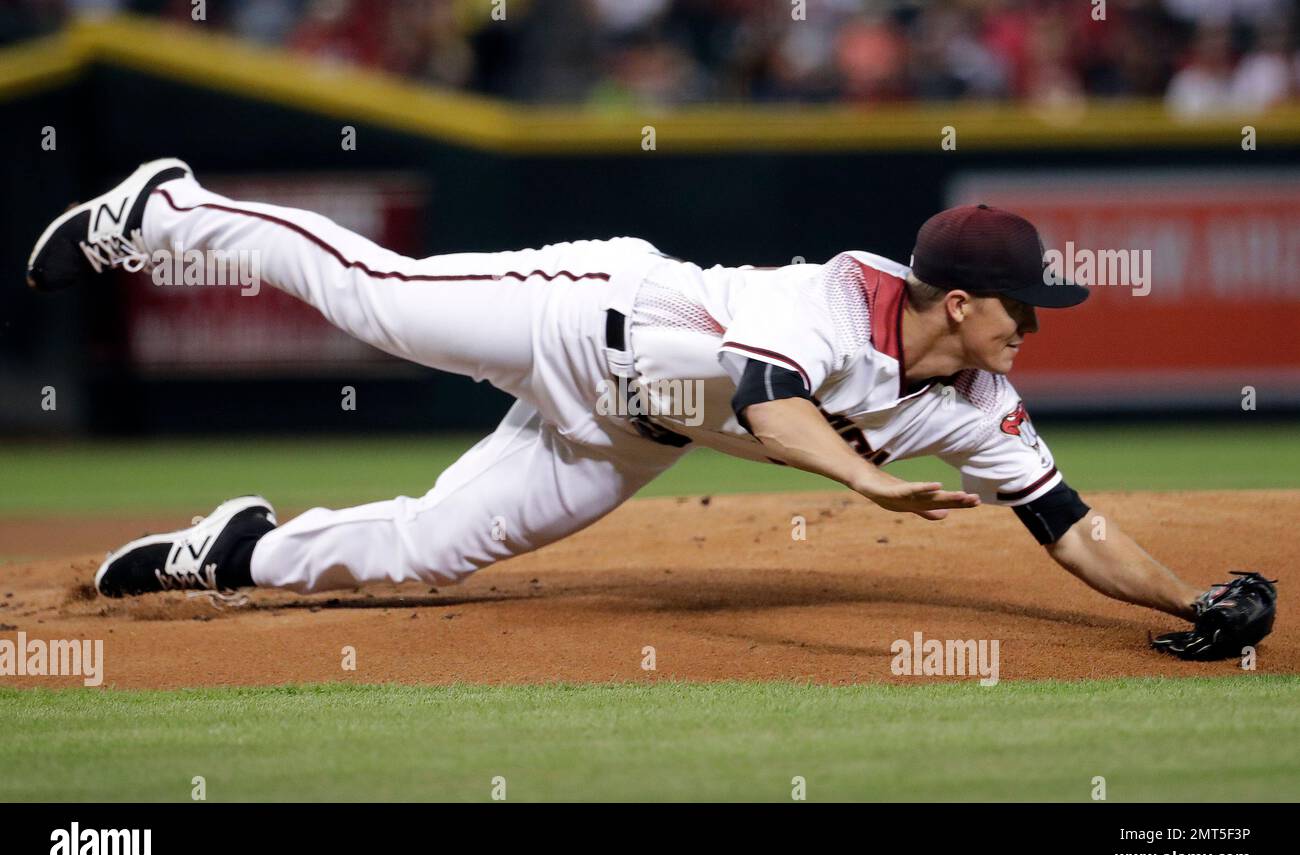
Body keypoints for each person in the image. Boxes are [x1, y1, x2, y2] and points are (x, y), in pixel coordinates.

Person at [26, 159, 1277, 660]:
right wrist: (861, 481)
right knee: (388, 304)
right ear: (953, 301)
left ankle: (228, 548)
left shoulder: (978, 401)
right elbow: (766, 395)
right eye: (1021, 305)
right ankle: (170, 211)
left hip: (634, 427)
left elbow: (1068, 520)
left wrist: (1192, 600)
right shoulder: (839, 299)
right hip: (599, 314)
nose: (1033, 323)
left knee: (430, 548)